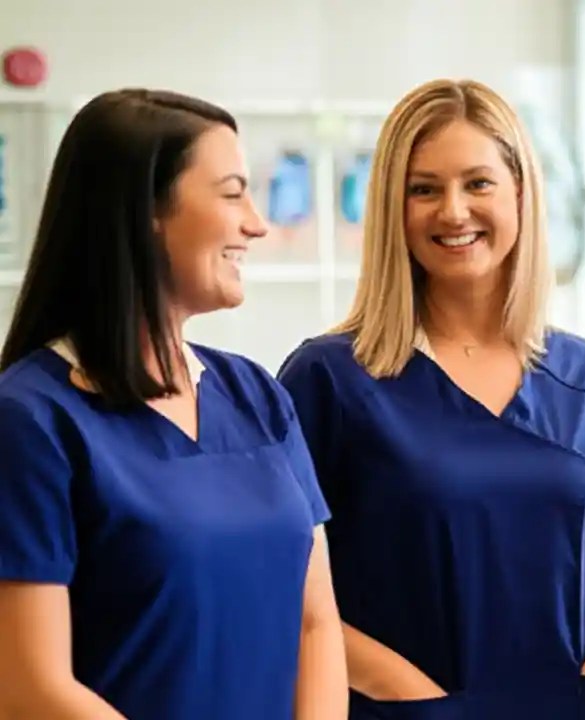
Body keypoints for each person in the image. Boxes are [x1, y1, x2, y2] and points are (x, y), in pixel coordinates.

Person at [277, 78, 585, 719]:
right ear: (391, 209)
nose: (453, 211)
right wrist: (408, 695)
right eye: (424, 189)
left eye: (477, 183)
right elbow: (280, 587)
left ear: (520, 192)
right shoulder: (330, 379)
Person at [0, 89, 347, 719]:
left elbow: (316, 625)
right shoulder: (30, 420)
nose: (257, 222)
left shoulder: (258, 397)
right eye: (232, 191)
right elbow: (28, 688)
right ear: (145, 212)